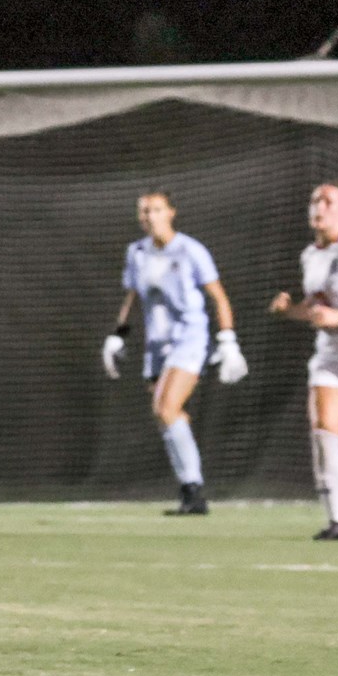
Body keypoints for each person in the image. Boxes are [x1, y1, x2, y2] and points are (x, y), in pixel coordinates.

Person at [101, 191, 247, 515]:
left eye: (156, 209)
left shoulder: (191, 250)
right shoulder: (136, 252)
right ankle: (191, 492)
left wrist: (228, 341)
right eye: (144, 211)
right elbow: (133, 297)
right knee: (168, 414)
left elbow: (219, 298)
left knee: (166, 407)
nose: (149, 216)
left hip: (190, 338)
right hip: (157, 344)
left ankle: (193, 490)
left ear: (171, 213)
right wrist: (117, 336)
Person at [269, 182, 338, 540]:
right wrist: (291, 311)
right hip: (331, 354)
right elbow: (318, 312)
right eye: (314, 199)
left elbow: (335, 314)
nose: (319, 206)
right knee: (324, 431)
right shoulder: (309, 256)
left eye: (328, 200)